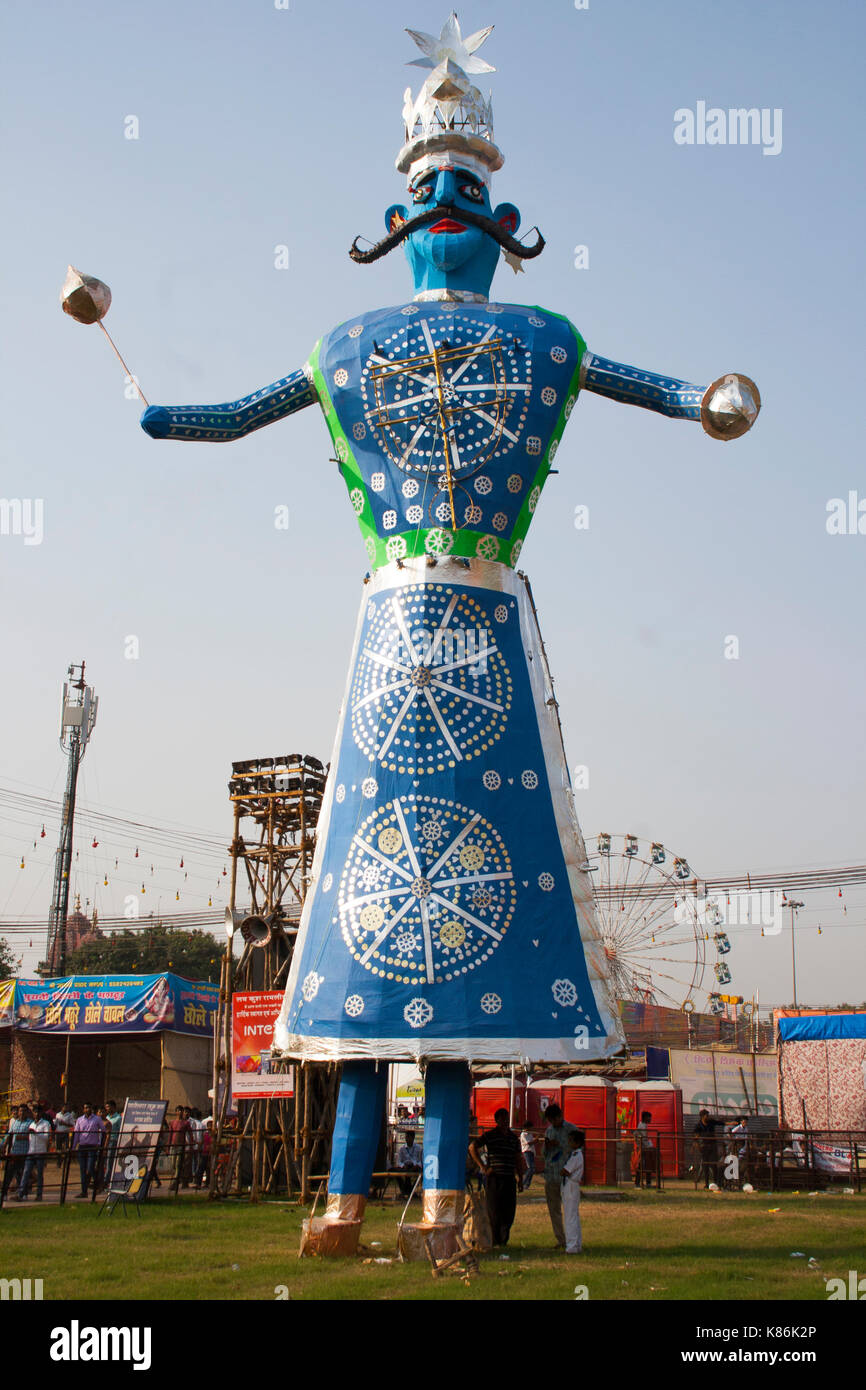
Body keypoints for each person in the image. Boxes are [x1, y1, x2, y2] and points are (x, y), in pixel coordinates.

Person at [469, 1108, 524, 1247]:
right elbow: (472, 1147)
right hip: (494, 1178)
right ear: (497, 1121)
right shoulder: (490, 1135)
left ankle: (504, 1240)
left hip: (509, 1177)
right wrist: (483, 1166)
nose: (505, 1122)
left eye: (507, 1119)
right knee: (494, 1210)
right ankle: (494, 1239)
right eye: (502, 1119)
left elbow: (518, 1159)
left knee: (509, 1211)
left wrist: (521, 1178)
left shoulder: (514, 1138)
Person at [542, 1103, 580, 1249]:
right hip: (551, 1175)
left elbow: (578, 1152)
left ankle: (572, 1239)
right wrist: (547, 1146)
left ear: (561, 1116)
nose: (553, 1123)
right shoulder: (549, 1131)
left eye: (555, 1119)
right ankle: (561, 1239)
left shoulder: (571, 1129)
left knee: (570, 1210)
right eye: (550, 1121)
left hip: (567, 1177)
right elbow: (544, 1154)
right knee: (554, 1209)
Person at [18, 1103, 52, 1201]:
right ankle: (21, 1193)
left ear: (41, 1113)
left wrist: (36, 1133)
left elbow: (46, 1138)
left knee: (40, 1174)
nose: (36, 1114)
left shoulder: (45, 1124)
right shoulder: (32, 1124)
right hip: (31, 1151)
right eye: (35, 1112)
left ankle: (39, 1195)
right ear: (33, 1113)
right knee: (26, 1172)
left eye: (38, 1112)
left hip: (40, 1151)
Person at [72, 1102, 106, 1198]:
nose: (88, 1109)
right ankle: (84, 1191)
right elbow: (76, 1134)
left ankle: (98, 1183)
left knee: (90, 1167)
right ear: (83, 1109)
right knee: (83, 1169)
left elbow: (103, 1132)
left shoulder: (97, 1119)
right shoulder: (79, 1120)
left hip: (93, 1146)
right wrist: (73, 1147)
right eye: (86, 1108)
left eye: (89, 1108)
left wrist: (101, 1144)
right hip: (82, 1146)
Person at [561, 1128, 585, 1254]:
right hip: (571, 1185)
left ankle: (571, 1246)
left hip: (571, 1184)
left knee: (570, 1217)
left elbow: (565, 1170)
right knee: (573, 1215)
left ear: (576, 1143)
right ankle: (576, 1244)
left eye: (570, 1140)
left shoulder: (576, 1155)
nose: (569, 1143)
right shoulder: (577, 1155)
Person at [2, 1105, 32, 1201]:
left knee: (22, 1174)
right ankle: (4, 1194)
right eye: (20, 1111)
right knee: (9, 1173)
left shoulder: (30, 1123)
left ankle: (23, 1194)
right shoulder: (15, 1123)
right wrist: (4, 1146)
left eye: (23, 1111)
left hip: (24, 1152)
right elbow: (9, 1135)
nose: (21, 1113)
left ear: (27, 1112)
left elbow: (33, 1136)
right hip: (14, 1152)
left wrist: (23, 1137)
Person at [694, 1109, 722, 1189]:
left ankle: (716, 1182)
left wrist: (729, 1123)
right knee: (705, 1166)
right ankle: (706, 1183)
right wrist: (698, 1146)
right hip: (704, 1147)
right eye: (706, 1115)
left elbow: (719, 1123)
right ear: (702, 1116)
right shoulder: (698, 1125)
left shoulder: (711, 1123)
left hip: (712, 1146)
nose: (708, 1117)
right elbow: (696, 1136)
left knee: (714, 1165)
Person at [632, 1110, 657, 1188]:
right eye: (649, 1117)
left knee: (645, 1165)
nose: (650, 1119)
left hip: (643, 1148)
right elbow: (643, 1139)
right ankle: (639, 1183)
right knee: (642, 1165)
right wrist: (649, 1146)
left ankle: (645, 1182)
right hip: (643, 1149)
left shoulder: (642, 1125)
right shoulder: (642, 1126)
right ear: (645, 1118)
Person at [394, 1129, 423, 1197]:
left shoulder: (418, 1148)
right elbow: (399, 1161)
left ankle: (408, 1191)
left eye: (408, 1137)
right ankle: (407, 1191)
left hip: (414, 1167)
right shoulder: (402, 1148)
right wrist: (403, 1165)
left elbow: (420, 1161)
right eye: (406, 1137)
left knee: (420, 1173)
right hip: (405, 1167)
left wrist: (416, 1165)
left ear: (413, 1138)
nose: (406, 1139)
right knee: (395, 1171)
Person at [519, 1121, 536, 1190]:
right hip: (526, 1152)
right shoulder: (523, 1134)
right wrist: (536, 1140)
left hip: (531, 1152)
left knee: (532, 1169)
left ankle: (527, 1184)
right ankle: (523, 1183)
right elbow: (529, 1143)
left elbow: (532, 1142)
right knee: (530, 1168)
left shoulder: (530, 1134)